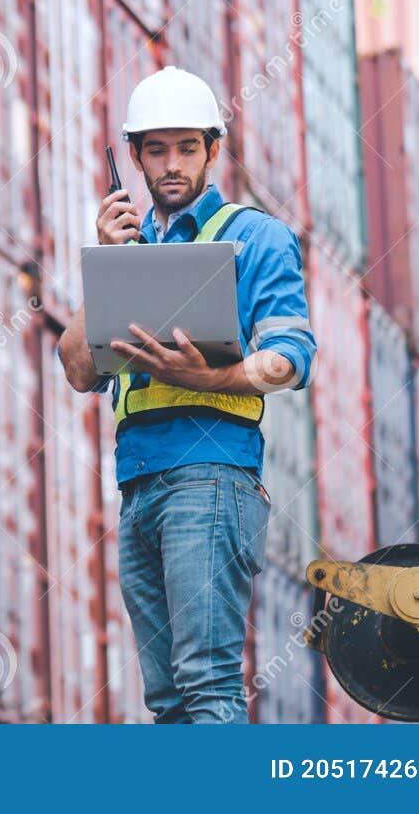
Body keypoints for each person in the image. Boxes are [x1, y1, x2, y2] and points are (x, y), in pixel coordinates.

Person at [56, 66, 317, 723]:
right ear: (136, 157)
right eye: (156, 149)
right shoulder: (131, 249)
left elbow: (291, 359)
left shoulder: (255, 236)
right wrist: (104, 257)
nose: (171, 164)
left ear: (211, 149)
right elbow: (78, 368)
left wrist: (206, 378)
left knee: (207, 683)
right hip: (139, 486)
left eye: (186, 148)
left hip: (211, 478)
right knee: (168, 701)